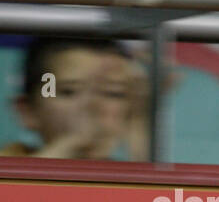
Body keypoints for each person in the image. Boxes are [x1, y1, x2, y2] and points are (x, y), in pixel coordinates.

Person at [1, 37, 149, 159]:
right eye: (69, 91)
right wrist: (71, 145)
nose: (93, 106)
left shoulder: (126, 174)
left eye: (112, 92)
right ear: (28, 111)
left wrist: (140, 138)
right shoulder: (8, 164)